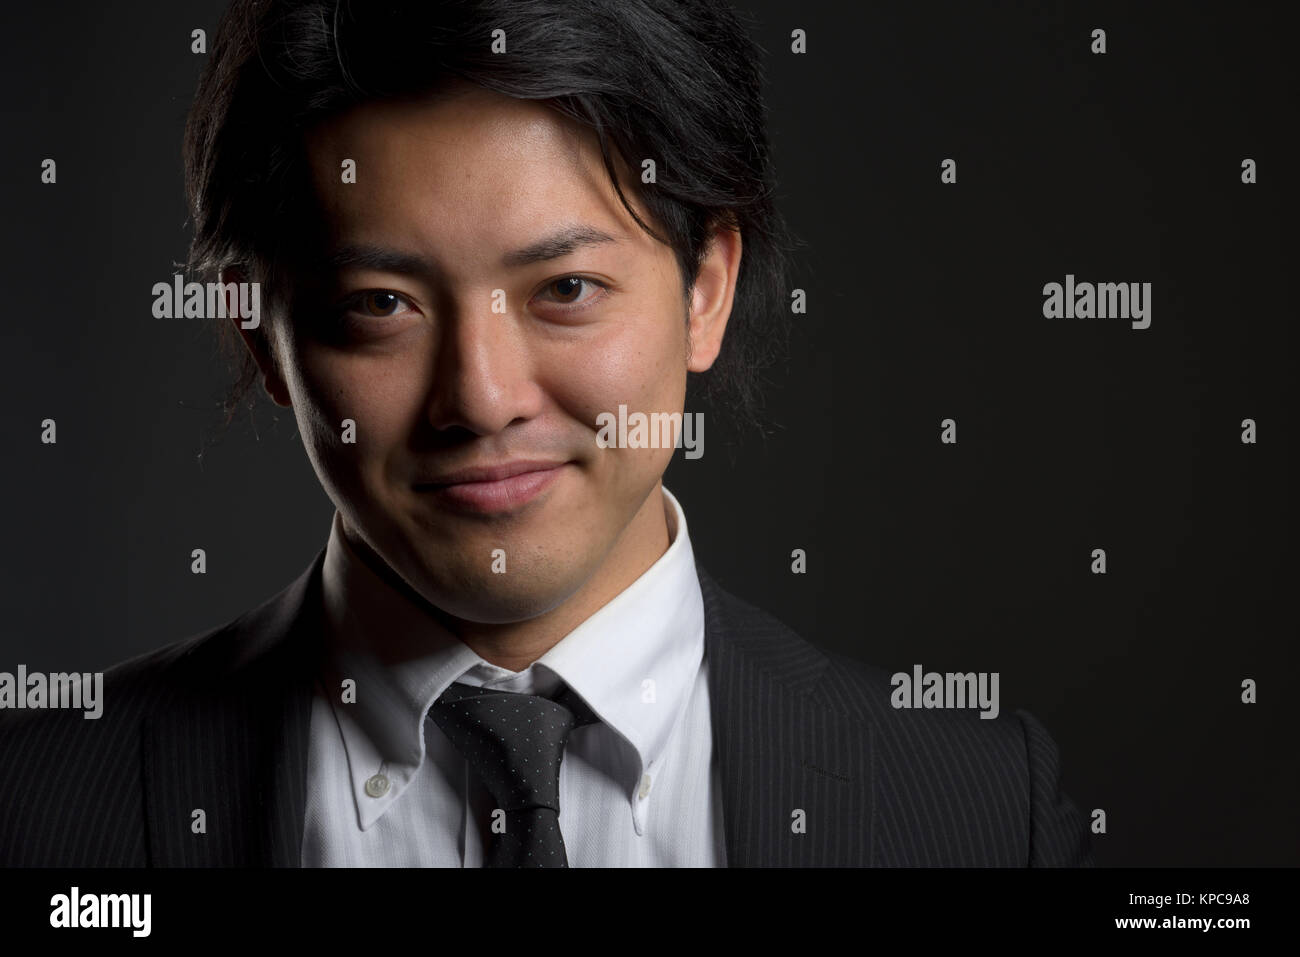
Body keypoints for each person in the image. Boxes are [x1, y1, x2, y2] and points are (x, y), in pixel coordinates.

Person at [0, 0, 1092, 867]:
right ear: (258, 336)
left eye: (566, 286)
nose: (480, 398)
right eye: (381, 303)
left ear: (706, 289)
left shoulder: (978, 813)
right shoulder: (39, 813)